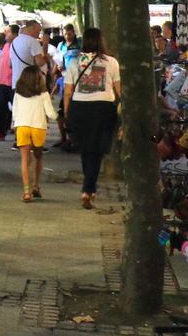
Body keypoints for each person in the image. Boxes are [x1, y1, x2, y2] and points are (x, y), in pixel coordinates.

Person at [62, 26, 121, 208]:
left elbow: (67, 92)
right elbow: (119, 89)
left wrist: (66, 112)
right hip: (104, 109)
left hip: (80, 108)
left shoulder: (75, 61)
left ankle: (88, 188)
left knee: (86, 149)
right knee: (97, 150)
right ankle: (89, 188)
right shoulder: (111, 62)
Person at [13, 48, 54, 201]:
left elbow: (14, 113)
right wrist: (60, 117)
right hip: (38, 127)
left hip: (22, 126)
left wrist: (15, 125)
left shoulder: (18, 93)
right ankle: (36, 185)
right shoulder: (44, 94)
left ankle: (26, 191)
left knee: (24, 159)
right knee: (38, 157)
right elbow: (50, 113)